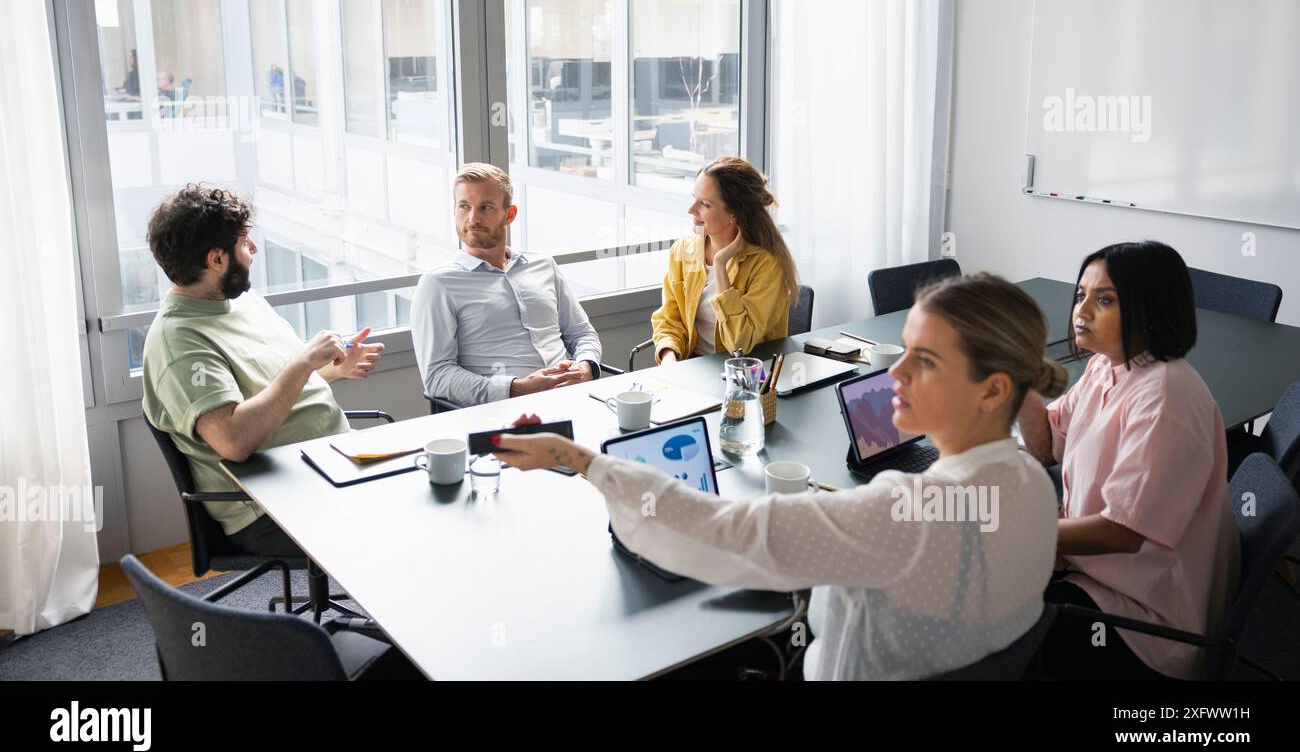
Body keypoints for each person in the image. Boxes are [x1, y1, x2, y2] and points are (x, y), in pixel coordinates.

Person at [496, 274, 1065, 680]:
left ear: (993, 389)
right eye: (906, 351)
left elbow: (717, 531)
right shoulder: (1034, 482)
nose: (896, 371)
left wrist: (583, 461)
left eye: (926, 361)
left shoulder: (901, 515)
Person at [1018, 241, 1239, 680]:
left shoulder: (1165, 398)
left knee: (985, 620)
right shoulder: (1107, 366)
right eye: (1081, 295)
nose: (1082, 310)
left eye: (1105, 299)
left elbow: (1120, 533)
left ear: (1150, 308)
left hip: (1148, 622)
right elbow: (1047, 447)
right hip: (1107, 575)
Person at [141, 185, 384, 557]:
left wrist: (331, 371)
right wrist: (304, 362)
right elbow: (235, 441)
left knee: (440, 480)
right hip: (270, 507)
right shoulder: (179, 341)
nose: (254, 250)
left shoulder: (238, 301)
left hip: (327, 463)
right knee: (414, 517)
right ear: (217, 259)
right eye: (244, 243)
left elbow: (273, 393)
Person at [411, 163, 603, 407]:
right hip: (501, 413)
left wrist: (585, 367)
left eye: (486, 207)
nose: (473, 218)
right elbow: (437, 377)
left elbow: (581, 333)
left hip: (572, 399)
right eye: (464, 206)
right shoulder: (437, 284)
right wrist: (515, 388)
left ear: (509, 215)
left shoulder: (543, 265)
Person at [652, 156, 798, 363]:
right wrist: (669, 360)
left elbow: (740, 345)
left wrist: (720, 266)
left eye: (704, 204)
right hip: (691, 369)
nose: (691, 209)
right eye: (694, 198)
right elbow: (669, 320)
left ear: (734, 214)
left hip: (748, 377)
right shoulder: (683, 251)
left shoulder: (766, 264)